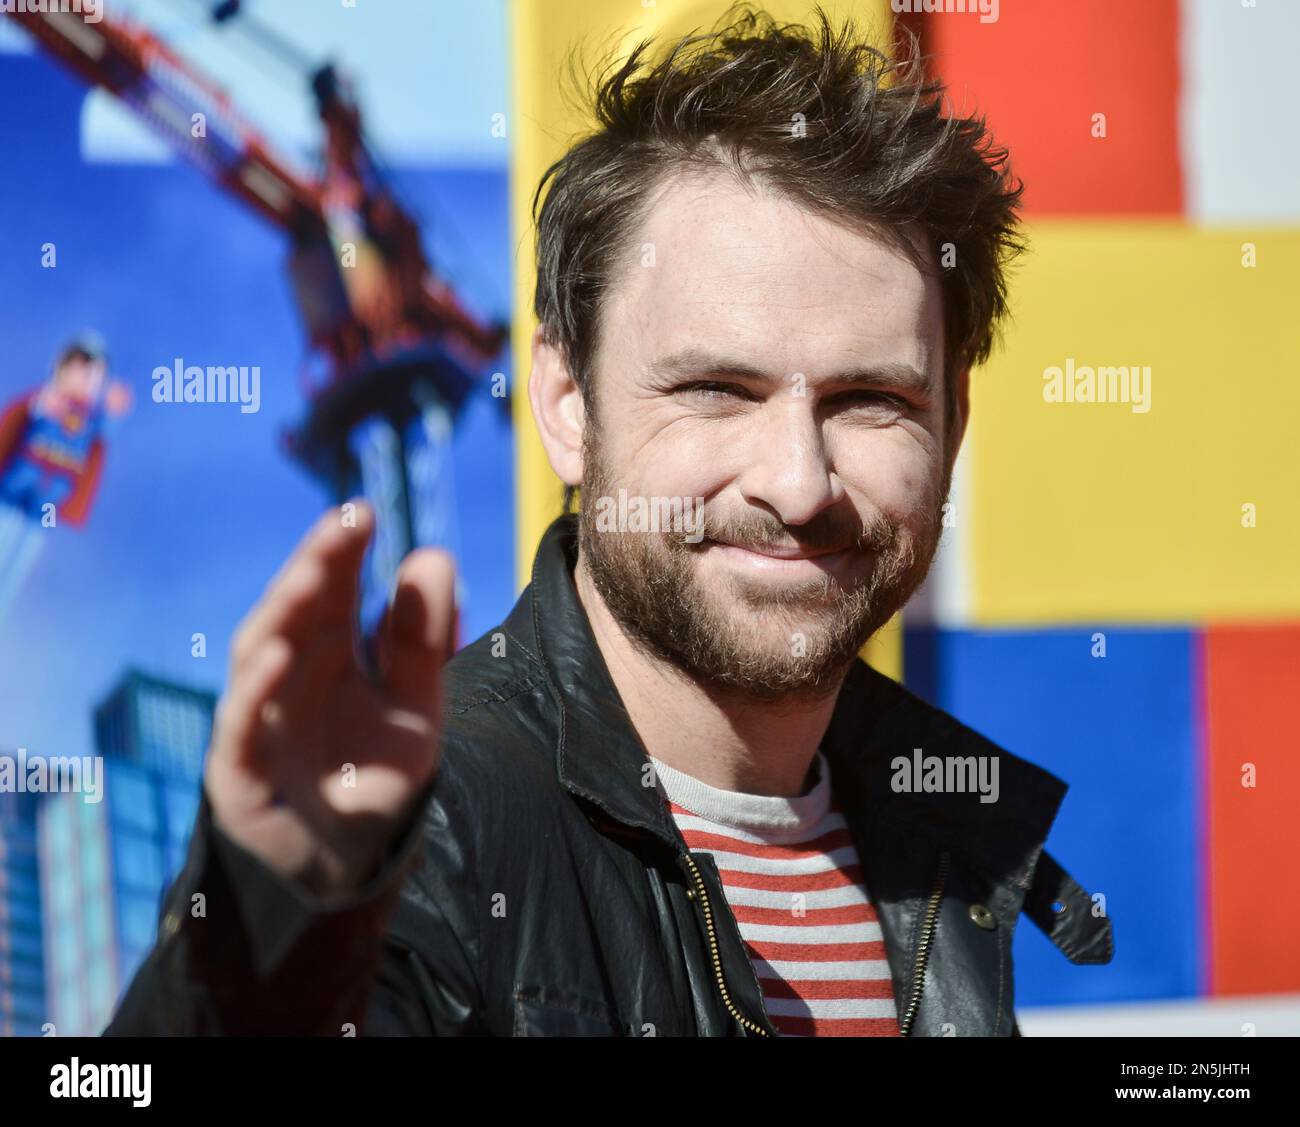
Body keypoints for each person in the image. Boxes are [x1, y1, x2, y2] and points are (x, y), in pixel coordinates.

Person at [105, 6, 1111, 1038]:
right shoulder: (419, 829)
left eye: (870, 400)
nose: (799, 482)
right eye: (718, 387)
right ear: (565, 405)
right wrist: (264, 952)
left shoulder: (947, 830)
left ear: (953, 421)